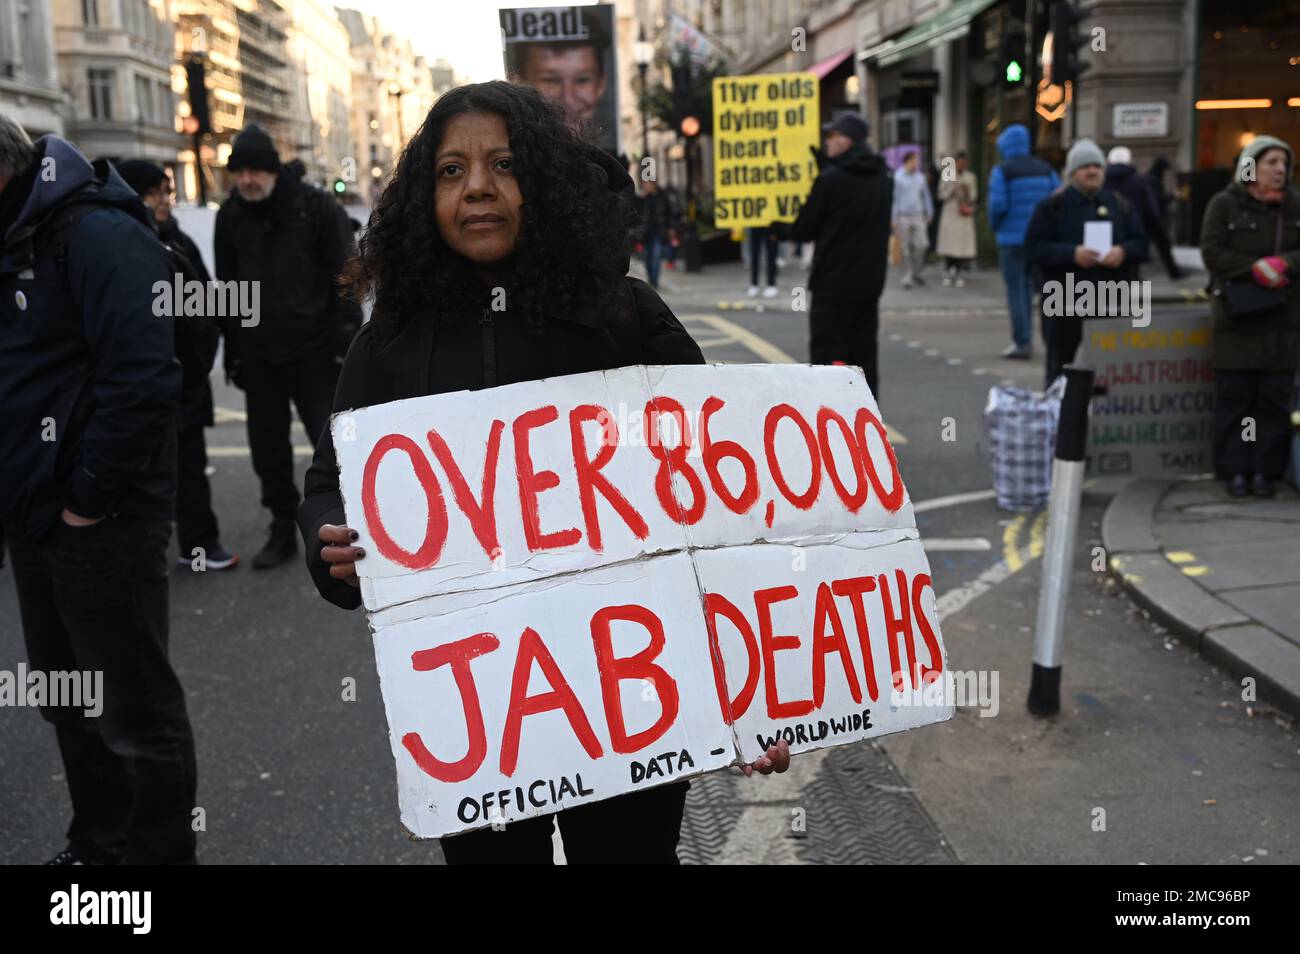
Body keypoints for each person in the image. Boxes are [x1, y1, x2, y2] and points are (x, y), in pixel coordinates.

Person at [297, 81, 791, 865]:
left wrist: (750, 692)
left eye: (505, 164)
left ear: (548, 184)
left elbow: (721, 506)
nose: (479, 188)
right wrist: (330, 546)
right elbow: (330, 478)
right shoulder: (387, 341)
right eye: (452, 172)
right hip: (481, 708)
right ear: (426, 199)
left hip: (631, 693)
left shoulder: (626, 316)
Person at [0, 115, 198, 864]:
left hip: (99, 519)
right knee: (70, 702)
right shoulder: (17, 231)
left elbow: (145, 381)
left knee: (135, 710)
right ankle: (102, 847)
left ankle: (156, 860)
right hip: (36, 515)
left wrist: (88, 499)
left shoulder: (96, 234)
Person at [215, 123, 362, 569]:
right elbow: (227, 287)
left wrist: (343, 347)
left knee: (332, 443)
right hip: (260, 355)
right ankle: (281, 526)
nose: (246, 180)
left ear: (273, 171)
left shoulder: (314, 207)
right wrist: (235, 351)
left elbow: (346, 277)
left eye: (254, 170)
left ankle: (351, 522)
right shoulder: (230, 215)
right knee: (267, 447)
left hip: (314, 352)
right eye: (238, 171)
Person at [115, 159, 238, 571]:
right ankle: (140, 553)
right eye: (153, 193)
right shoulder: (118, 244)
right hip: (139, 383)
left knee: (189, 469)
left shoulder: (178, 240)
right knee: (135, 473)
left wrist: (205, 343)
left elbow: (207, 303)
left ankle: (199, 546)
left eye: (165, 192)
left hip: (184, 380)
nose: (163, 201)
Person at [1200, 135, 1300, 498]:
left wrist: (1285, 263)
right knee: (1237, 403)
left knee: (1272, 404)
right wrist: (1252, 268)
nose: (1279, 170)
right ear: (1250, 166)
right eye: (1271, 162)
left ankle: (1265, 471)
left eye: (1284, 164)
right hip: (1238, 322)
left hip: (1282, 323)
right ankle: (1235, 469)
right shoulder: (1224, 205)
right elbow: (1212, 252)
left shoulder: (1294, 207)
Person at [773, 112, 892, 395]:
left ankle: (828, 425)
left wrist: (777, 228)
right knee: (864, 358)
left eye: (833, 137)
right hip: (869, 284)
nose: (827, 142)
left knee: (826, 362)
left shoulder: (830, 180)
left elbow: (804, 228)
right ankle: (866, 424)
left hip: (832, 283)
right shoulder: (883, 178)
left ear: (847, 141)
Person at [1024, 138, 1148, 386]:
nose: (1092, 171)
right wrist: (1072, 254)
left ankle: (1106, 423)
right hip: (1064, 298)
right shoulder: (1052, 207)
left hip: (1110, 297)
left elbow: (1142, 244)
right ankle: (1060, 419)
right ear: (1072, 173)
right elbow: (1034, 248)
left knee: (1111, 371)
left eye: (1097, 166)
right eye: (1085, 167)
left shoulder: (1119, 205)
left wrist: (1122, 251)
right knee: (1060, 370)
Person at [988, 124, 1060, 359]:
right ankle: (1036, 339)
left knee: (1016, 291)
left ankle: (1022, 341)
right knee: (1031, 289)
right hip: (1039, 240)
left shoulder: (1003, 171)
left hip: (1012, 239)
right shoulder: (1046, 169)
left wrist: (996, 227)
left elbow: (997, 205)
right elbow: (1058, 201)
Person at [1104, 146, 1176, 280]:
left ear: (1109, 162)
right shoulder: (1140, 182)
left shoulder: (1101, 183)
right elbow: (1150, 211)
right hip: (1133, 234)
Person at [891, 150, 933, 289]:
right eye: (914, 161)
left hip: (918, 214)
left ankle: (917, 271)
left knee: (923, 244)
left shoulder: (920, 177)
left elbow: (925, 195)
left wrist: (929, 211)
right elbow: (895, 198)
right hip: (903, 215)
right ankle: (907, 275)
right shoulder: (898, 177)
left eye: (917, 161)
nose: (916, 164)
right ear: (907, 161)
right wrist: (893, 217)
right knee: (905, 247)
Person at [936, 151, 978, 286]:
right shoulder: (947, 175)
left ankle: (959, 271)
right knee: (949, 244)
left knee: (961, 246)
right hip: (950, 213)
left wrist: (966, 191)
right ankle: (948, 270)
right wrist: (952, 190)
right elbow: (940, 195)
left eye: (964, 162)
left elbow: (974, 197)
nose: (961, 164)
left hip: (963, 214)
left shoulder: (970, 177)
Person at [638, 177, 673, 289]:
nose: (645, 186)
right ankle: (651, 278)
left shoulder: (663, 197)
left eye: (646, 184)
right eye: (643, 184)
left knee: (656, 256)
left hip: (659, 231)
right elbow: (636, 213)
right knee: (647, 258)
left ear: (653, 184)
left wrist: (670, 228)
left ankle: (654, 281)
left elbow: (669, 213)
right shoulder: (642, 198)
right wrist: (640, 199)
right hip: (645, 233)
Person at [747, 226, 779, 298]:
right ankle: (754, 284)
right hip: (756, 224)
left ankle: (771, 284)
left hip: (771, 226)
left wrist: (777, 228)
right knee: (754, 255)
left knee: (771, 257)